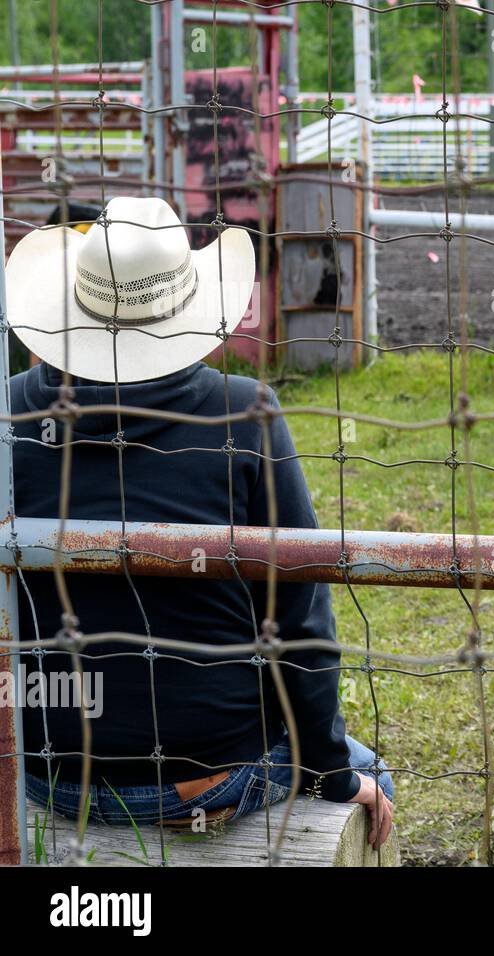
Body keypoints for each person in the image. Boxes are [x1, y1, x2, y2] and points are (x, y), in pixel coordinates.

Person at [6, 196, 394, 849]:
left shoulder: (10, 410)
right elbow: (299, 616)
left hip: (48, 770)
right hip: (205, 777)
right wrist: (330, 771)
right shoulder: (242, 414)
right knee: (368, 767)